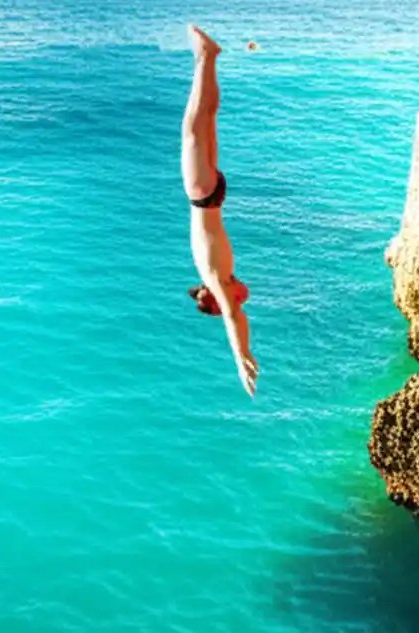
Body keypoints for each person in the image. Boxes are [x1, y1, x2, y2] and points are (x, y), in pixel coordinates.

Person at [182, 26, 259, 396]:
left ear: (211, 299)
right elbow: (236, 314)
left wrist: (241, 356)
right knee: (202, 124)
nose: (243, 297)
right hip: (206, 194)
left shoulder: (215, 278)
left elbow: (232, 318)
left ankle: (206, 58)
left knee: (197, 128)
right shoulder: (220, 272)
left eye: (230, 301)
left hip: (207, 193)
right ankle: (207, 58)